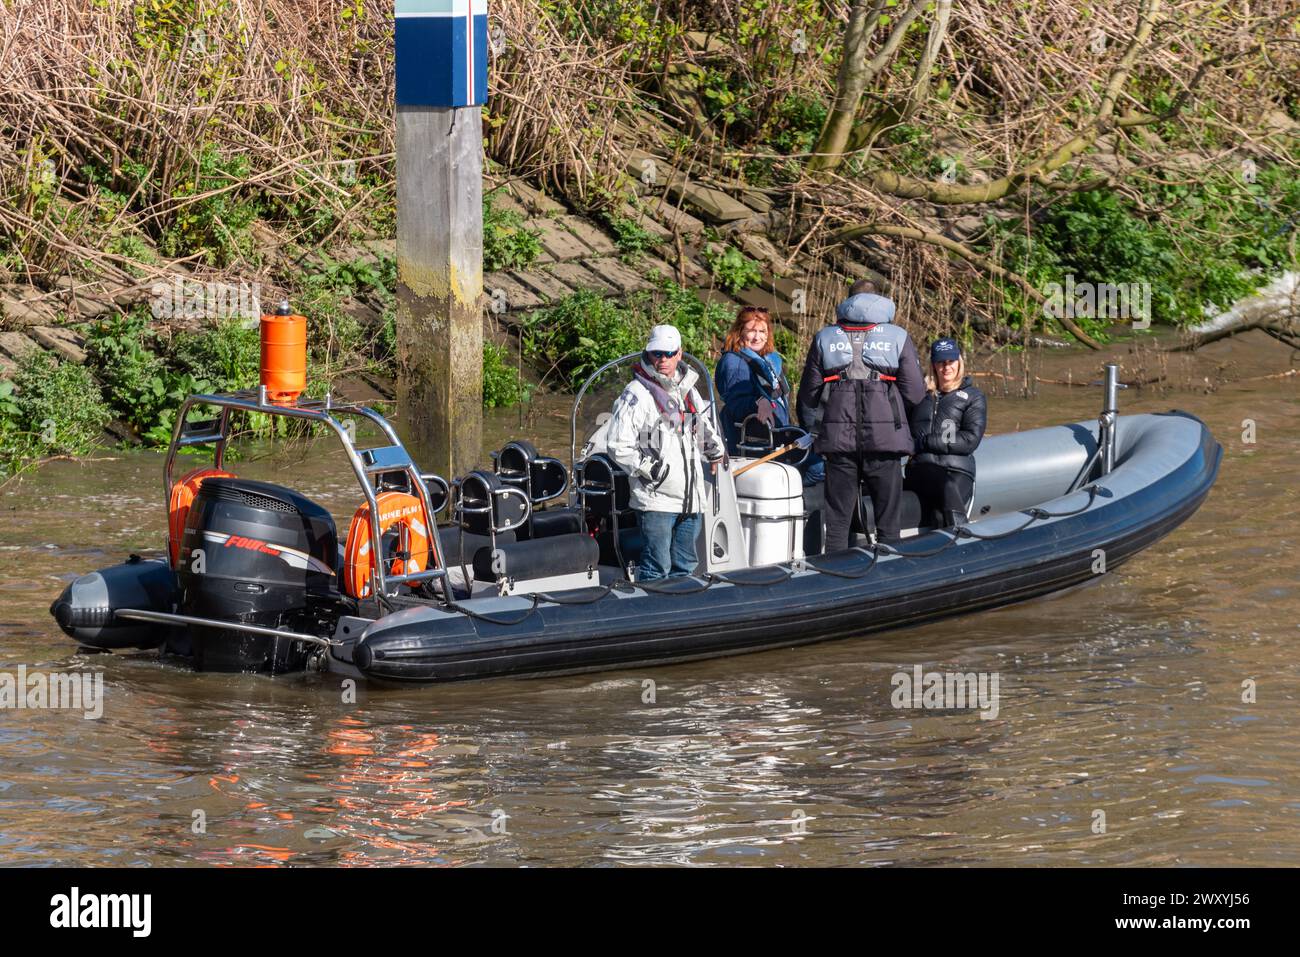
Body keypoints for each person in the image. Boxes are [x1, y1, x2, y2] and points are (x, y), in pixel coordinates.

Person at [796, 292, 926, 550]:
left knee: (837, 523)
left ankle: (836, 577)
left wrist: (815, 430)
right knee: (888, 521)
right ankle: (889, 574)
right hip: (885, 443)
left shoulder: (824, 337)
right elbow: (915, 393)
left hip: (838, 444)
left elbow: (808, 396)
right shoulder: (898, 336)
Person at [606, 324, 726, 581]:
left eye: (668, 353)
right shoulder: (635, 393)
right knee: (656, 567)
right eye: (656, 353)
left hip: (691, 498)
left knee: (686, 566)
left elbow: (702, 426)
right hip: (656, 500)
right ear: (648, 354)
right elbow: (618, 445)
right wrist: (652, 470)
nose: (662, 360)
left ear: (679, 354)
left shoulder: (689, 390)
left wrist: (715, 451)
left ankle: (685, 615)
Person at [713, 307, 824, 485]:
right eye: (751, 331)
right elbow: (736, 401)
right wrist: (759, 402)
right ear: (739, 332)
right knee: (817, 468)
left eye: (762, 331)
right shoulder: (734, 361)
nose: (757, 337)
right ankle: (791, 497)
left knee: (823, 461)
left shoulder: (769, 360)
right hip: (756, 441)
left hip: (778, 435)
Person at [907, 338, 987, 528]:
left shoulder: (973, 397)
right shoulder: (919, 395)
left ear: (958, 362)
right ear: (933, 364)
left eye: (951, 361)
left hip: (958, 470)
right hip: (922, 469)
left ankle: (961, 539)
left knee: (942, 502)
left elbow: (969, 439)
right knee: (941, 485)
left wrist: (926, 442)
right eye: (941, 362)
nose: (946, 367)